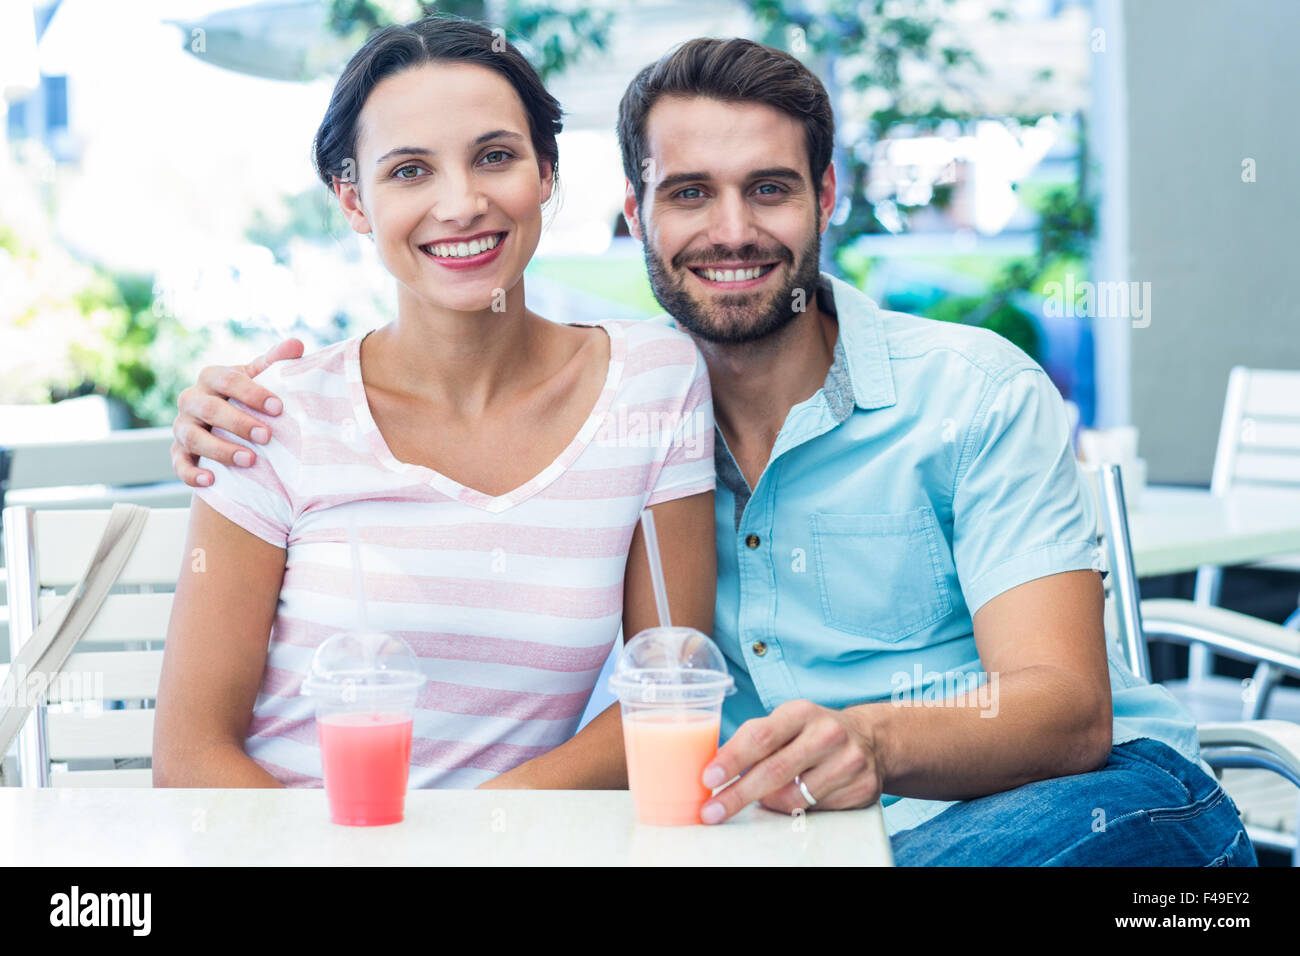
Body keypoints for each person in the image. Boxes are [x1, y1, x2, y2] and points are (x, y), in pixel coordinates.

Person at [170, 35, 1254, 865]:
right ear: (634, 212)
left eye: (770, 188)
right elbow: (650, 690)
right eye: (690, 193)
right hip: (782, 838)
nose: (731, 230)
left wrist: (869, 739)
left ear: (826, 196)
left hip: (1061, 807)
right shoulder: (644, 400)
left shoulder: (967, 393)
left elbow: (1067, 711)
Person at [153, 17, 716, 791]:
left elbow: (669, 695)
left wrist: (467, 841)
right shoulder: (269, 416)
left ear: (545, 173)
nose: (461, 203)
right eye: (409, 171)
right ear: (353, 201)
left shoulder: (654, 383)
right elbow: (190, 758)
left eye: (494, 157)